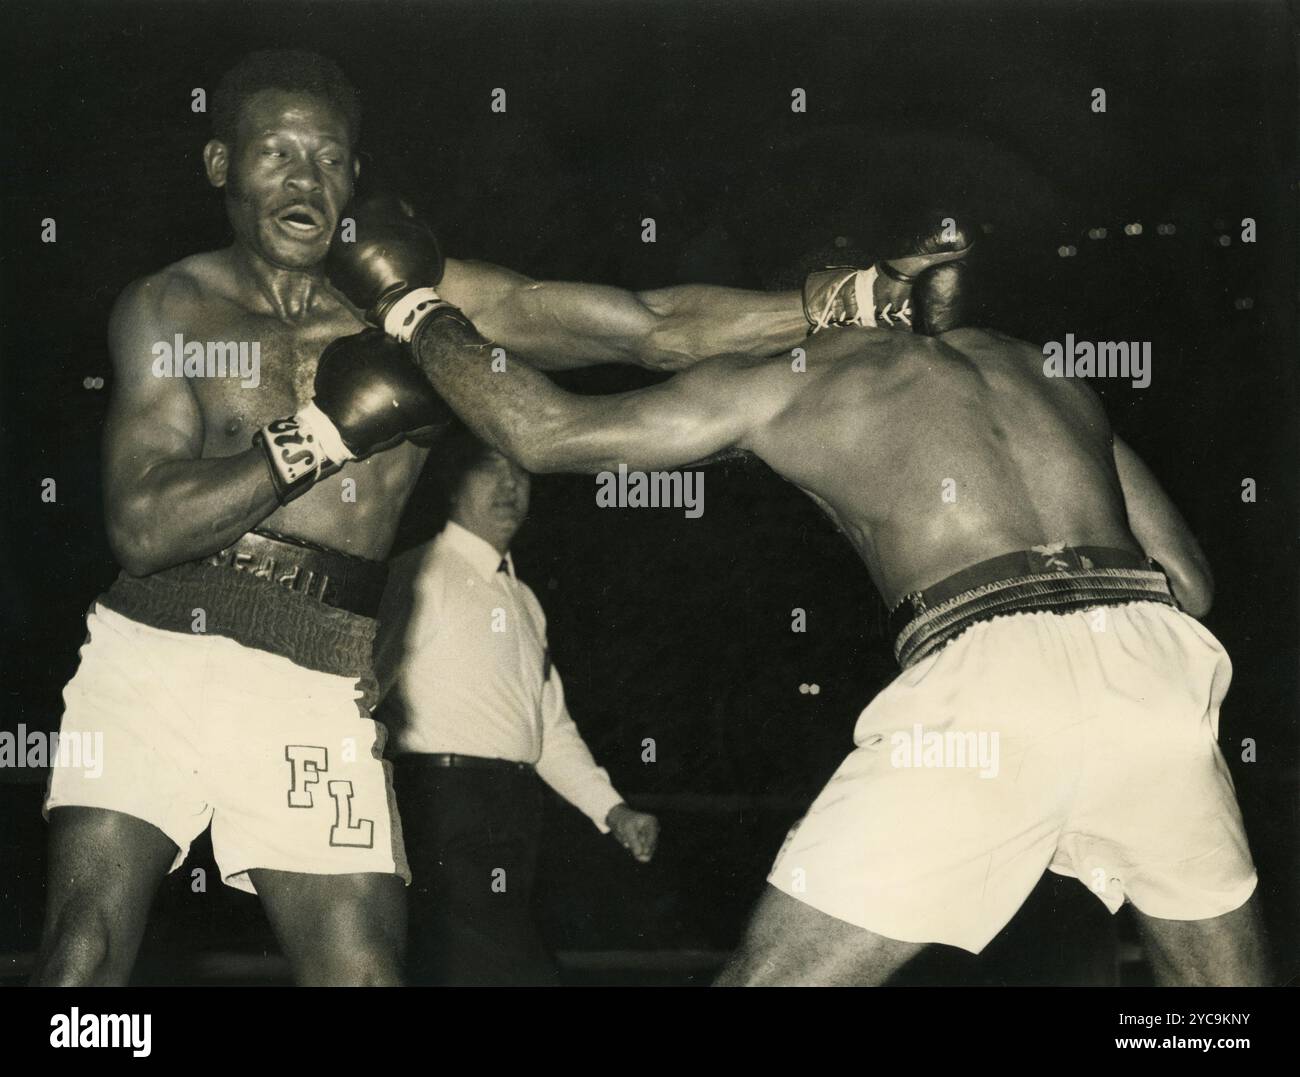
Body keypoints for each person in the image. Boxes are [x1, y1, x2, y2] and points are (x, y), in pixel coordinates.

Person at [33, 48, 958, 986]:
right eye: (277, 152)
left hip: (311, 675)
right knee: (83, 956)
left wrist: (854, 298)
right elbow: (143, 527)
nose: (304, 176)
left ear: (355, 175)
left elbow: (648, 324)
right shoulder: (167, 306)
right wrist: (321, 433)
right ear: (221, 164)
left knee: (361, 977)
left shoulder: (410, 296)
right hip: (153, 652)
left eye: (327, 156)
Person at [329, 216, 1268, 987]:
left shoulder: (796, 378)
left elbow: (544, 429)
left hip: (989, 683)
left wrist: (412, 310)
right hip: (1158, 678)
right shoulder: (1042, 368)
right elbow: (1189, 580)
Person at [374, 431, 659, 985]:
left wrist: (613, 810)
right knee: (510, 970)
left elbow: (548, 728)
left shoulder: (523, 599)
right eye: (489, 468)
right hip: (441, 809)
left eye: (521, 473)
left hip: (512, 813)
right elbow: (365, 688)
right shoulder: (417, 573)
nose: (510, 486)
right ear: (453, 485)